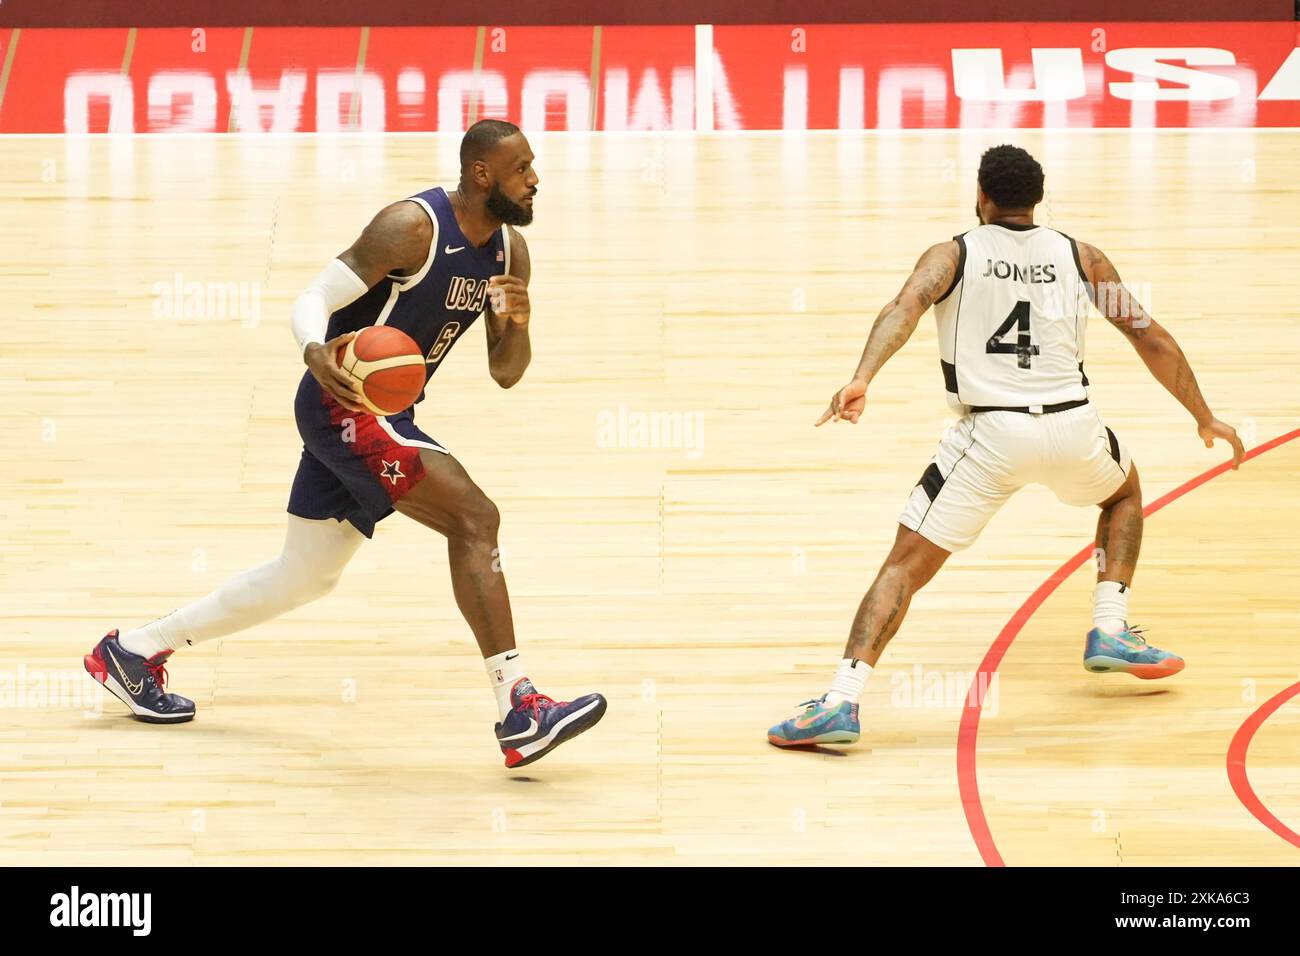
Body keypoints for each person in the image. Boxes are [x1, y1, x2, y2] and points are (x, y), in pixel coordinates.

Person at [84, 120, 606, 769]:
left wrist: (518, 323)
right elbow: (315, 295)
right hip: (343, 404)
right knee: (476, 517)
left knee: (302, 577)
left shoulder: (508, 256)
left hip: (386, 413)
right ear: (482, 175)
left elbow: (506, 372)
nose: (535, 180)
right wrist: (311, 350)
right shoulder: (413, 227)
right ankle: (519, 709)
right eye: (523, 168)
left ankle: (131, 651)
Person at [768, 144, 1245, 748]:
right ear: (1036, 202)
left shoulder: (954, 255)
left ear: (981, 197)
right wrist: (1204, 416)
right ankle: (1109, 628)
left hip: (991, 436)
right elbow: (1146, 334)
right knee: (1123, 495)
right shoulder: (1082, 257)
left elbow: (904, 307)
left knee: (904, 567)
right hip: (1075, 427)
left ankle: (841, 701)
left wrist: (863, 376)